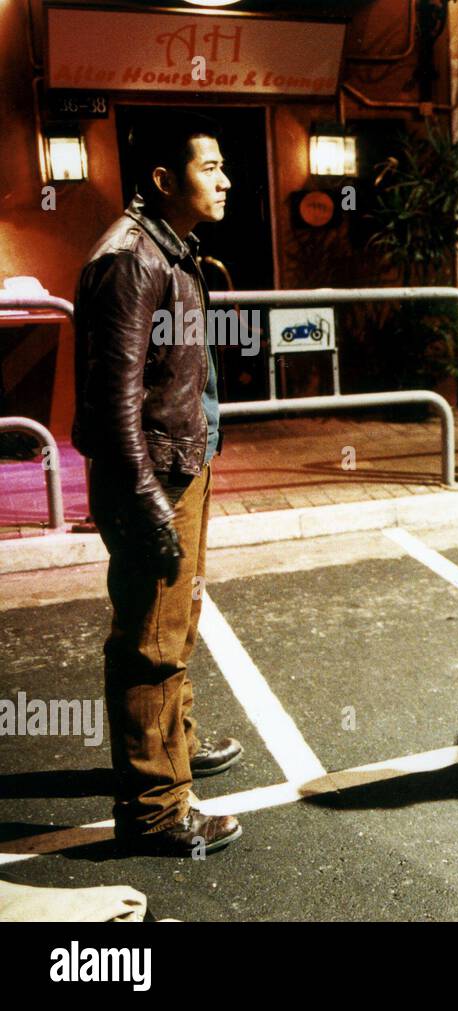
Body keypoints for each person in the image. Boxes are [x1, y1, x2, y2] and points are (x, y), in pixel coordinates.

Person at [72, 112, 244, 855]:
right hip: (152, 475)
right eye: (210, 168)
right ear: (165, 180)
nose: (227, 179)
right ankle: (154, 809)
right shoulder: (131, 259)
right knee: (148, 640)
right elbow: (112, 406)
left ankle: (174, 743)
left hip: (181, 460)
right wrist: (147, 503)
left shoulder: (174, 248)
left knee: (178, 622)